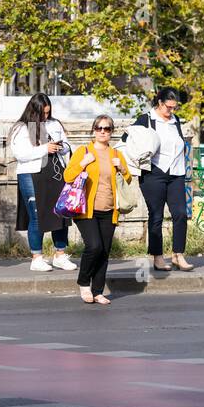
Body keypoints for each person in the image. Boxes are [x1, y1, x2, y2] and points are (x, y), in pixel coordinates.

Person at [63, 115, 131, 305]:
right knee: (94, 246)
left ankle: (98, 291)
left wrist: (123, 170)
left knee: (104, 251)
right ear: (94, 130)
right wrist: (83, 163)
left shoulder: (116, 155)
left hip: (109, 210)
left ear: (111, 132)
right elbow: (67, 176)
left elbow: (128, 181)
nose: (103, 131)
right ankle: (84, 282)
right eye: (99, 128)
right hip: (86, 210)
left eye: (107, 129)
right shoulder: (83, 151)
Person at [11, 93, 75, 272]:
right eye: (42, 114)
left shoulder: (54, 124)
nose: (45, 117)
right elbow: (21, 154)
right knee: (37, 215)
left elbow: (68, 146)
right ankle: (37, 257)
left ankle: (60, 255)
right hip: (32, 174)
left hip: (55, 173)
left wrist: (61, 147)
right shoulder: (22, 127)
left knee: (61, 214)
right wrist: (44, 148)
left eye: (48, 113)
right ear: (34, 111)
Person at [131, 87, 193, 272]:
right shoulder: (146, 119)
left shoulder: (175, 121)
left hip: (176, 173)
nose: (171, 111)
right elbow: (128, 140)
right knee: (156, 215)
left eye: (174, 107)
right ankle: (157, 257)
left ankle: (178, 254)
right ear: (159, 103)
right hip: (153, 174)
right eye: (168, 107)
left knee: (181, 214)